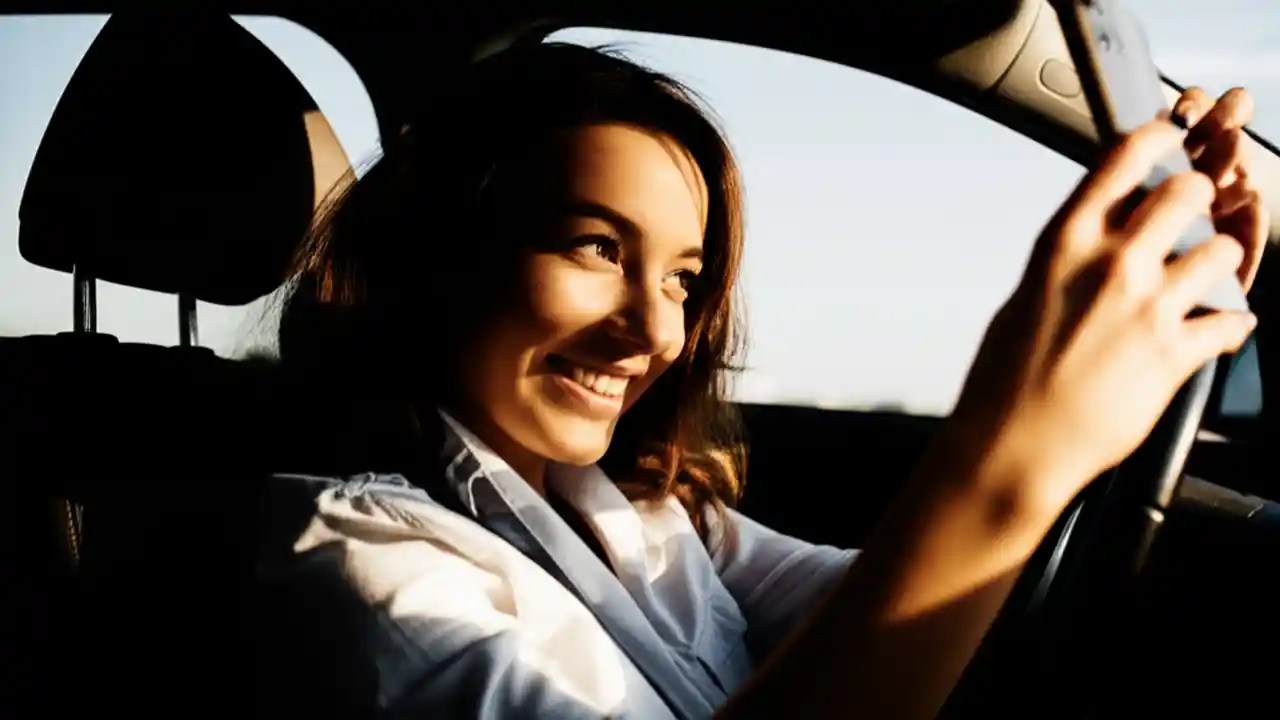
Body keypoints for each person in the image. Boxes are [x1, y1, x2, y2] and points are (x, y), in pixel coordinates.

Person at [256, 42, 1268, 719]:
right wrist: (1004, 461)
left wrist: (1128, 384)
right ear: (438, 255)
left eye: (683, 280)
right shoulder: (354, 565)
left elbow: (895, 607)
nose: (654, 329)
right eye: (594, 249)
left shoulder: (643, 517)